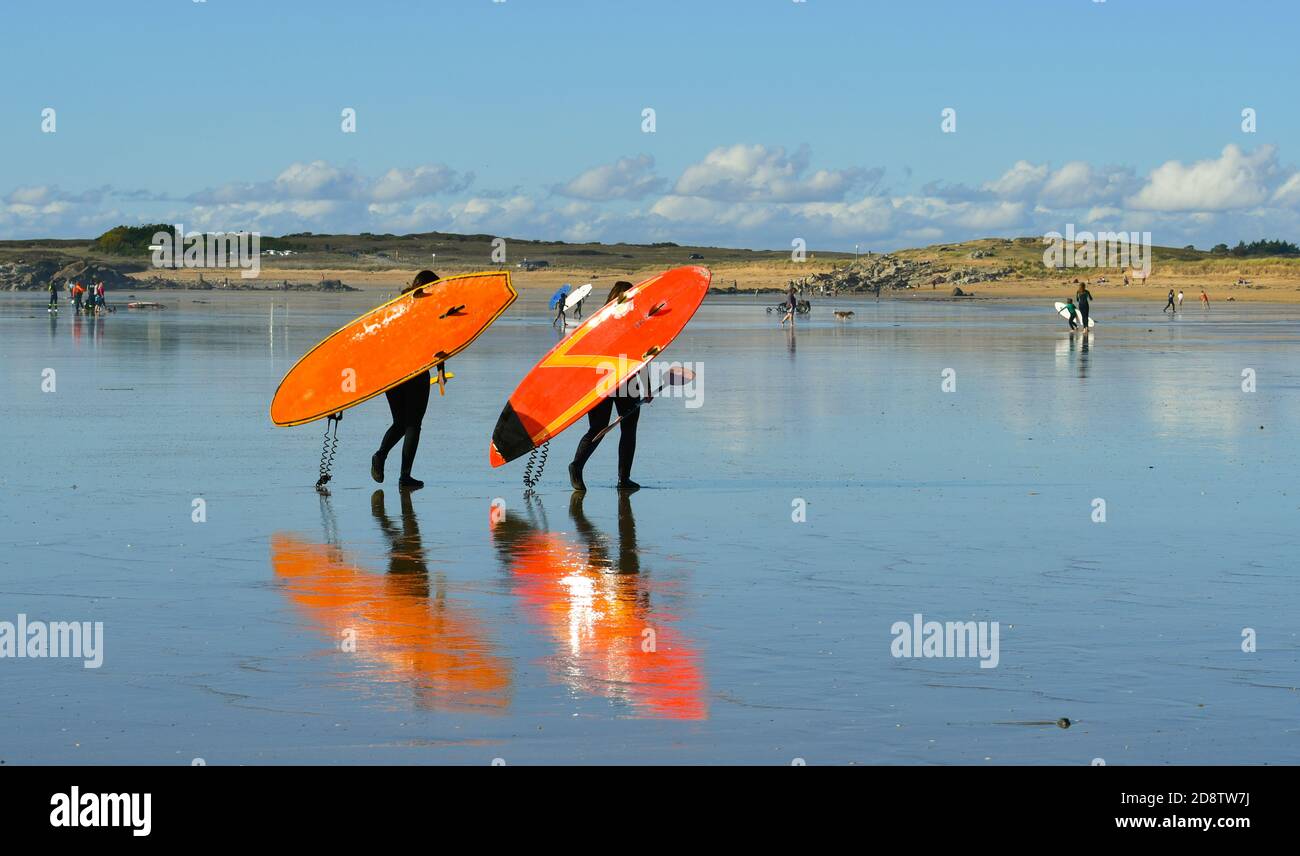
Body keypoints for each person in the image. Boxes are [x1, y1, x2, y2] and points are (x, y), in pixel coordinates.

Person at [569, 280, 644, 493]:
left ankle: (622, 478)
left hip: (619, 382)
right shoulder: (610, 323)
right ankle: (579, 467)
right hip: (609, 381)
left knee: (620, 429)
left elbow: (644, 355)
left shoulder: (623, 323)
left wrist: (645, 387)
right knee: (607, 429)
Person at [371, 270, 440, 491]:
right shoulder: (429, 310)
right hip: (415, 372)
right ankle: (404, 477)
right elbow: (439, 342)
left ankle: (380, 456)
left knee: (401, 422)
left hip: (391, 373)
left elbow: (380, 338)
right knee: (413, 425)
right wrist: (440, 369)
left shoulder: (397, 306)